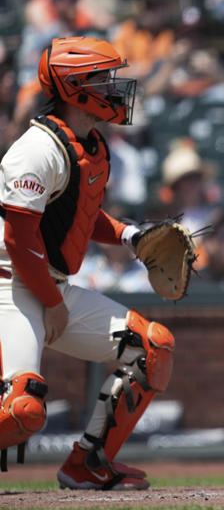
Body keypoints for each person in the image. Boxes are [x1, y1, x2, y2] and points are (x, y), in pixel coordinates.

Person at [0, 36, 176, 490]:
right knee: (21, 410)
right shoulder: (35, 149)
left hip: (47, 282)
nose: (114, 89)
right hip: (10, 285)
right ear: (75, 86)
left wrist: (129, 235)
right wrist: (51, 302)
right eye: (102, 79)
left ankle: (87, 464)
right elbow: (20, 241)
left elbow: (79, 214)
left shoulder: (89, 143)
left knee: (151, 349)